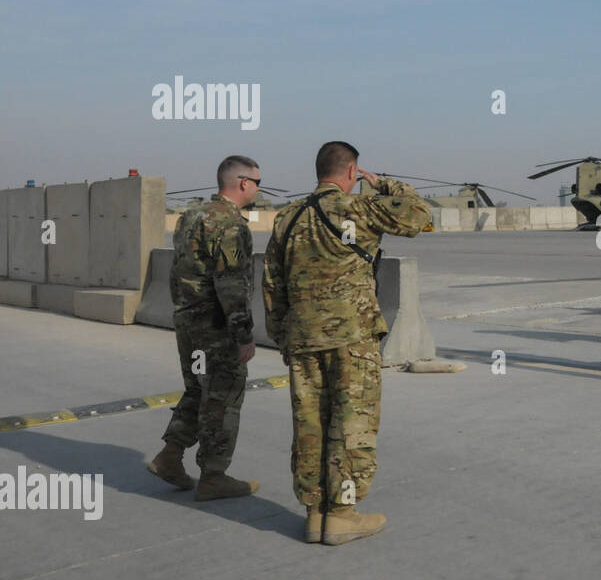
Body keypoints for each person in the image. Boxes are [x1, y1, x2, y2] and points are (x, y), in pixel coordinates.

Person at [262, 141, 432, 545]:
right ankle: (342, 513)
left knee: (310, 425)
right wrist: (387, 184)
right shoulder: (357, 209)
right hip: (352, 336)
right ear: (352, 172)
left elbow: (272, 283)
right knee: (351, 424)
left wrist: (283, 336)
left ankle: (315, 513)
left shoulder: (287, 216)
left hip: (303, 337)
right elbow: (419, 217)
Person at [148, 155, 261, 500]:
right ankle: (214, 475)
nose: (257, 189)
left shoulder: (190, 216)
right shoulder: (231, 225)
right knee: (224, 396)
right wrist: (243, 335)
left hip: (187, 322)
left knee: (198, 390)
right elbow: (230, 285)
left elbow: (179, 270)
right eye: (257, 182)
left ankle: (170, 456)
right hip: (215, 329)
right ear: (243, 183)